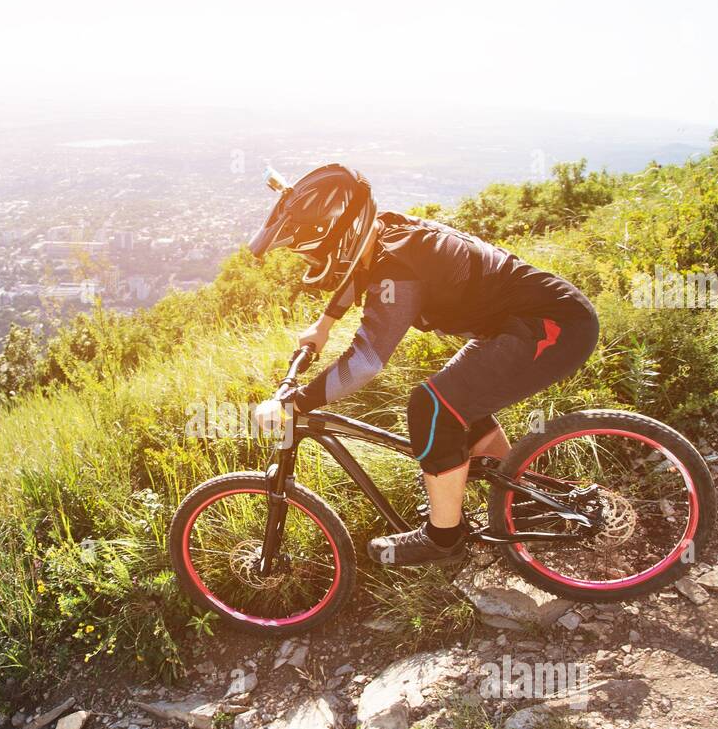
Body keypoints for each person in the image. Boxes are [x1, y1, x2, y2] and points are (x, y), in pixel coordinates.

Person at [249, 163, 599, 566]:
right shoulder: (384, 232)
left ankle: (443, 538)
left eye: (309, 251)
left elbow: (365, 361)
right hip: (526, 323)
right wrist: (325, 325)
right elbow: (356, 274)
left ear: (338, 238)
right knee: (455, 408)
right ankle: (522, 502)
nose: (307, 259)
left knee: (431, 407)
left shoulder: (398, 270)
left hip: (553, 327)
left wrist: (297, 403)